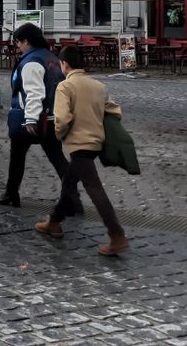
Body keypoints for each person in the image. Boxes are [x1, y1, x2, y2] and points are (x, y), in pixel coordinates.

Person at [35, 46, 130, 255]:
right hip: (96, 143)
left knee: (94, 188)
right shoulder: (98, 86)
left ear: (64, 64)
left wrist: (60, 135)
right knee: (69, 182)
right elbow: (114, 111)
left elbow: (62, 119)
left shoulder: (65, 86)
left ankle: (117, 234)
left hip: (79, 144)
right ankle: (54, 221)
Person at [0, 23, 81, 214]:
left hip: (33, 118)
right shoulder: (51, 58)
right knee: (56, 157)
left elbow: (34, 93)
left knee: (17, 157)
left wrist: (31, 119)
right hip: (52, 116)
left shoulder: (32, 62)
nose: (17, 46)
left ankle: (11, 193)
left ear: (26, 41)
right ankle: (73, 198)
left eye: (18, 42)